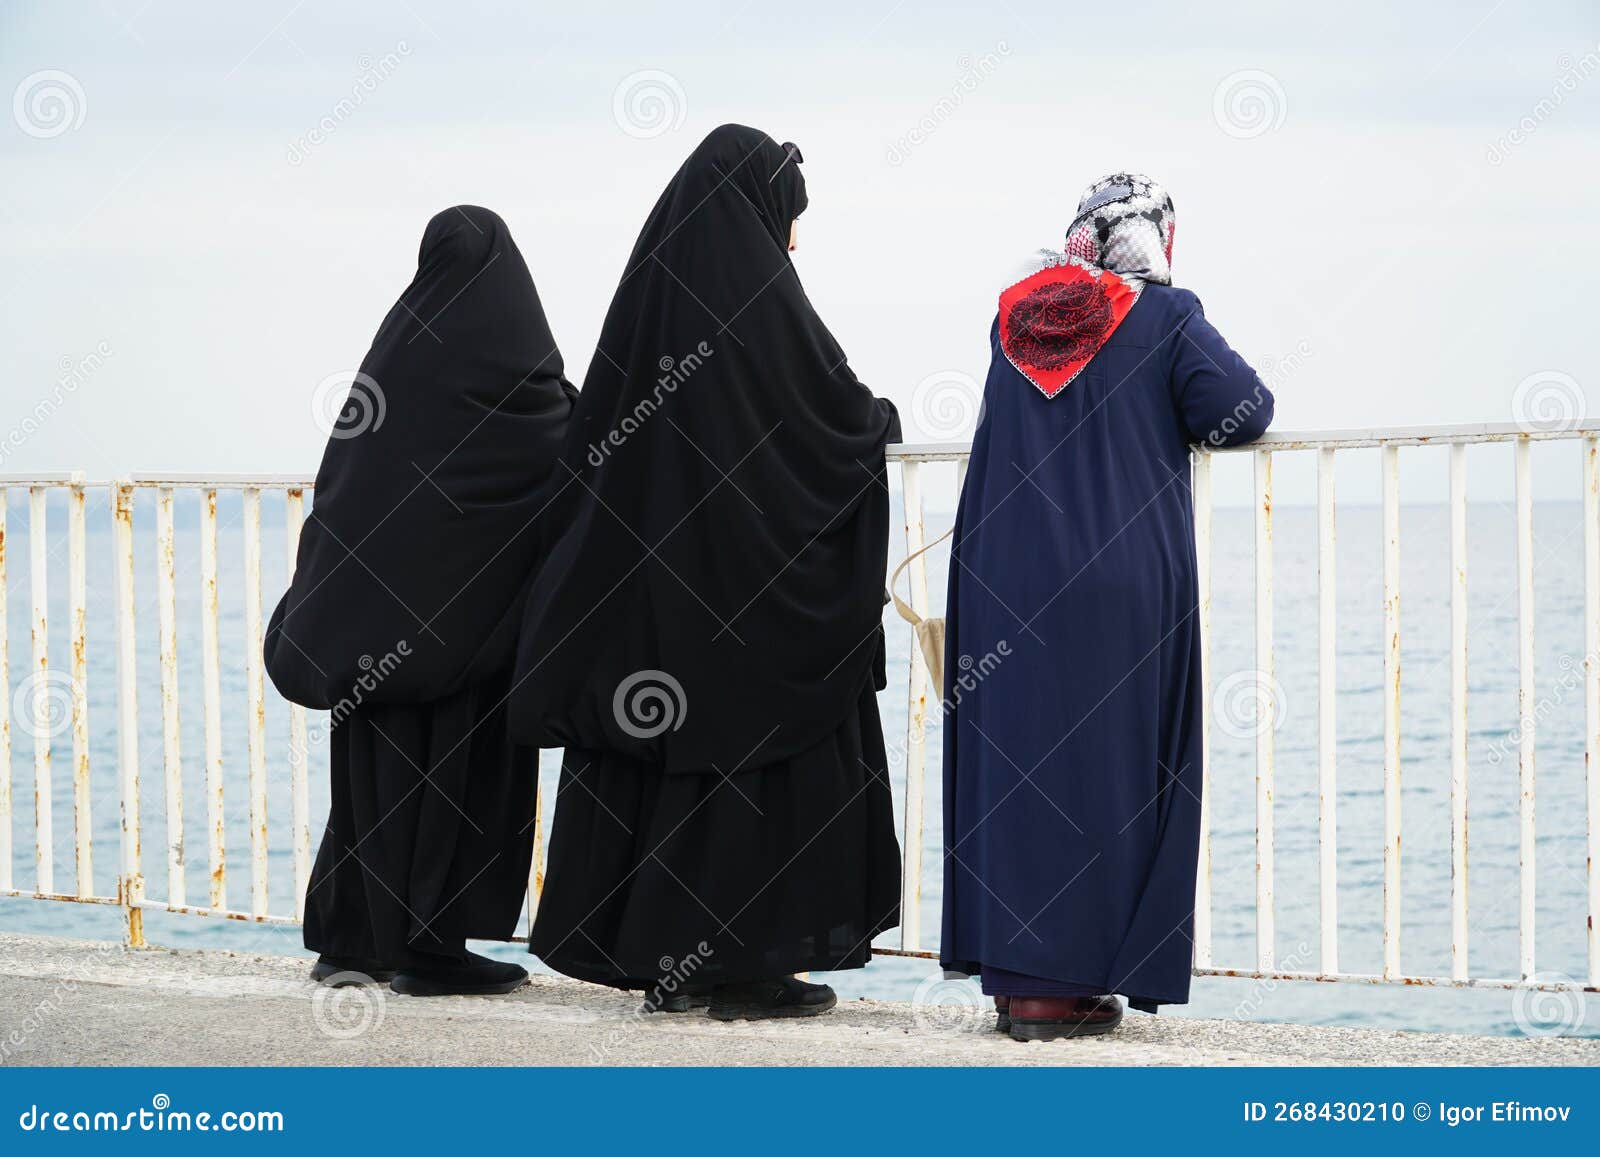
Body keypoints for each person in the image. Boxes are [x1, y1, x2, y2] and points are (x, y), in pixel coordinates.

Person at [509, 125, 902, 1021]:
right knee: (762, 754)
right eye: (789, 219)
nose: (794, 240)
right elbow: (823, 415)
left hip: (658, 601)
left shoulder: (649, 295)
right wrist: (875, 421)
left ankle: (674, 963)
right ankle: (745, 966)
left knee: (674, 760)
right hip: (752, 592)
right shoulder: (762, 295)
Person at [939, 174, 1274, 1041]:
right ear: (1154, 239)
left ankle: (1024, 984)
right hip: (1118, 579)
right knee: (1114, 772)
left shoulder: (1015, 312)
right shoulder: (1164, 315)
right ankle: (1073, 981)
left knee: (1017, 765)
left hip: (1002, 571)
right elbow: (1242, 409)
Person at [265, 205, 577, 996]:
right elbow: (558, 461)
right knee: (453, 781)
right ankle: (431, 951)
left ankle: (352, 941)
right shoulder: (520, 381)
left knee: (370, 785)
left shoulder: (390, 366)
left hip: (372, 642)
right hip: (466, 642)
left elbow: (346, 491)